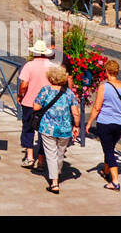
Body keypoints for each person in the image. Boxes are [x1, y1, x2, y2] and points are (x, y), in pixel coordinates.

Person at [86, 59, 121, 190]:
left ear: (106, 71)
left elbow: (96, 107)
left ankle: (115, 181)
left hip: (105, 123)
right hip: (118, 124)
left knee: (109, 151)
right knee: (110, 148)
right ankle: (106, 172)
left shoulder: (104, 87)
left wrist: (89, 122)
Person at [33, 66, 78, 194]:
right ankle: (56, 173)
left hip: (48, 128)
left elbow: (36, 107)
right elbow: (75, 113)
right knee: (60, 153)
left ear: (50, 77)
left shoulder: (45, 90)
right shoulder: (69, 93)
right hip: (65, 129)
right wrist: (77, 126)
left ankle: (54, 182)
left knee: (51, 154)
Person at [17, 40, 56, 169]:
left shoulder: (29, 65)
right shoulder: (51, 66)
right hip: (46, 104)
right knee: (43, 132)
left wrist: (20, 95)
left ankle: (29, 157)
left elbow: (24, 85)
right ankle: (41, 160)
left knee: (28, 128)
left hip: (29, 103)